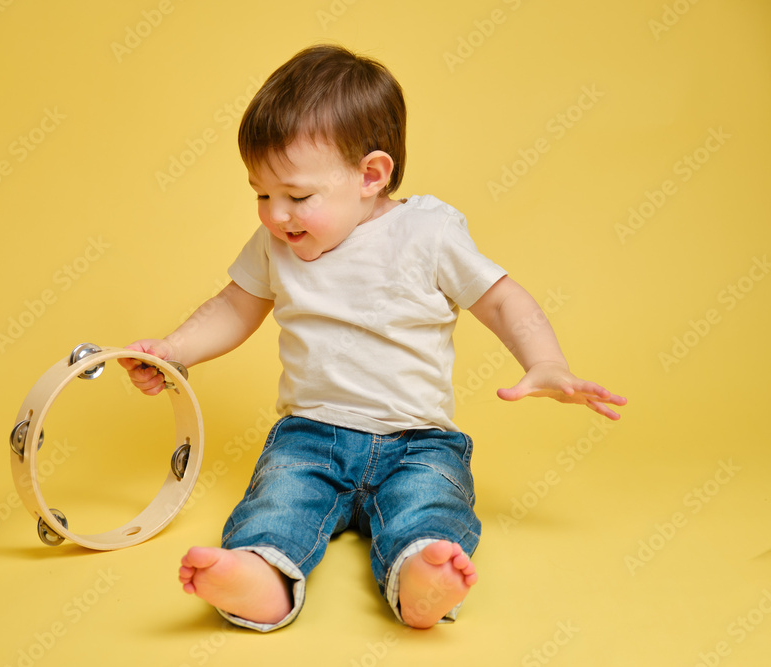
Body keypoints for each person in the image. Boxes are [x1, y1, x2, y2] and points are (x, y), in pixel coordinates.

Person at [119, 44, 626, 632]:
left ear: (370, 175)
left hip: (418, 442)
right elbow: (234, 307)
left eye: (297, 196)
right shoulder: (275, 245)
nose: (276, 215)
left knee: (430, 505)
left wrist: (546, 361)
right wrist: (175, 349)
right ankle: (262, 573)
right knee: (278, 498)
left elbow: (501, 298)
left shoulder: (427, 233)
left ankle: (420, 575)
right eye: (261, 194)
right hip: (311, 436)